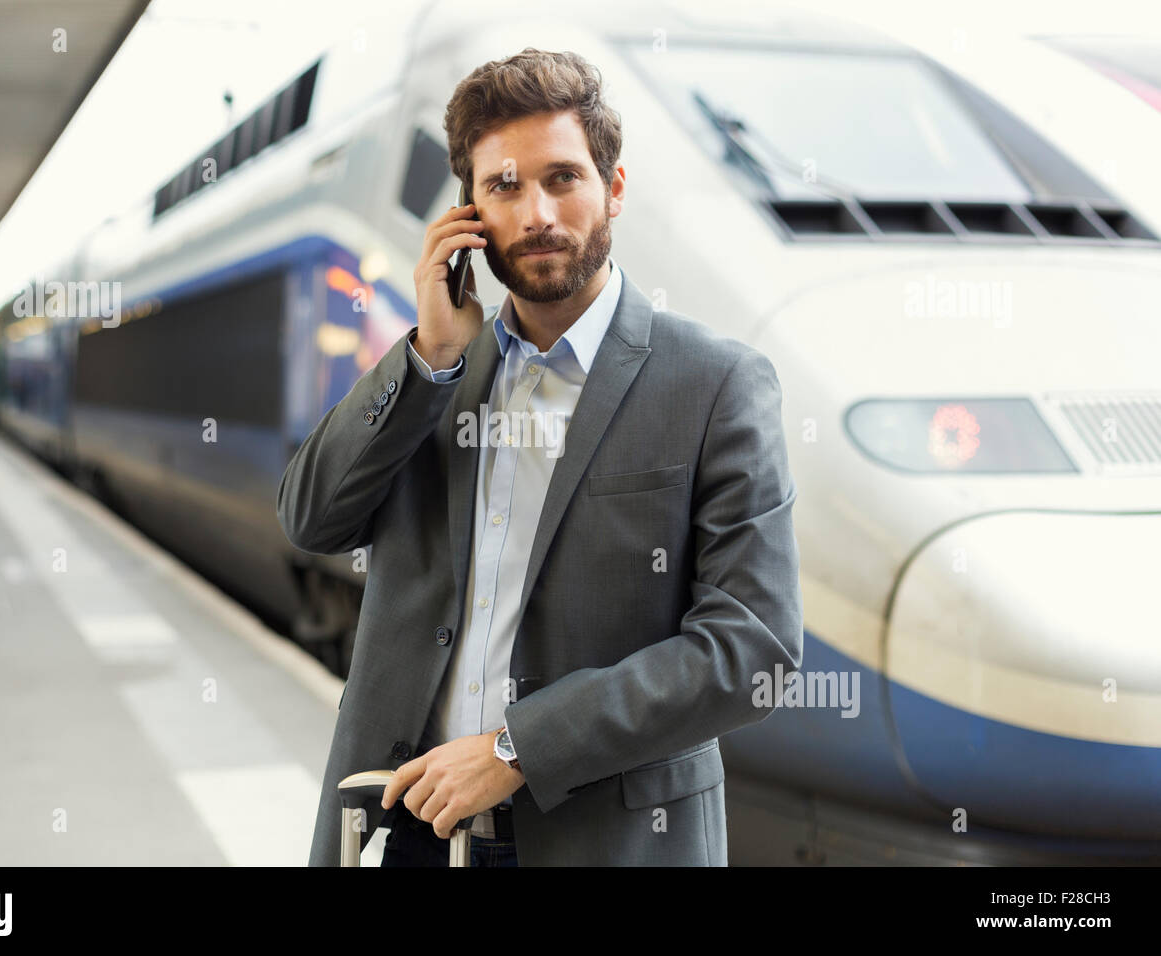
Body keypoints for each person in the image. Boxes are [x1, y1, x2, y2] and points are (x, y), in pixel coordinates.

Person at [278, 48, 802, 866]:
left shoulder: (716, 383)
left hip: (606, 844)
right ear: (469, 214)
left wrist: (518, 749)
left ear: (613, 189)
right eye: (505, 186)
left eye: (563, 178)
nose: (537, 214)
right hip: (406, 834)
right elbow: (311, 519)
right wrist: (426, 360)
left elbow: (752, 646)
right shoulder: (435, 373)